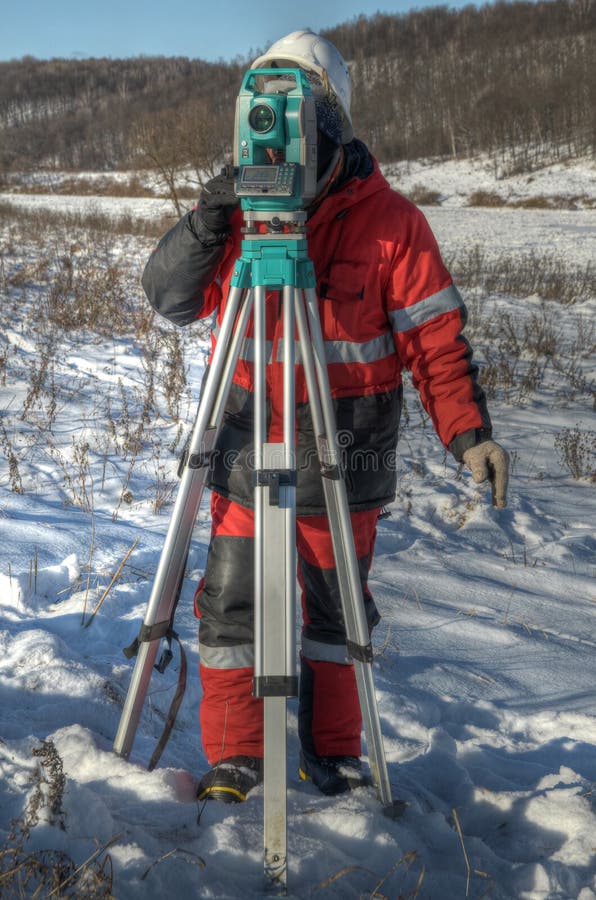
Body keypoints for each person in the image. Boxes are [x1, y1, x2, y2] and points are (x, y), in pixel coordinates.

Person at [142, 29, 509, 803]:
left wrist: (468, 431)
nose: (277, 125)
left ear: (332, 120)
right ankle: (240, 756)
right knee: (233, 607)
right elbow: (169, 297)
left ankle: (335, 752)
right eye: (263, 106)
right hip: (248, 442)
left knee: (338, 617)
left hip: (348, 452)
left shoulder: (391, 223)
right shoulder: (239, 211)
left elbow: (435, 338)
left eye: (294, 105)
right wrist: (214, 210)